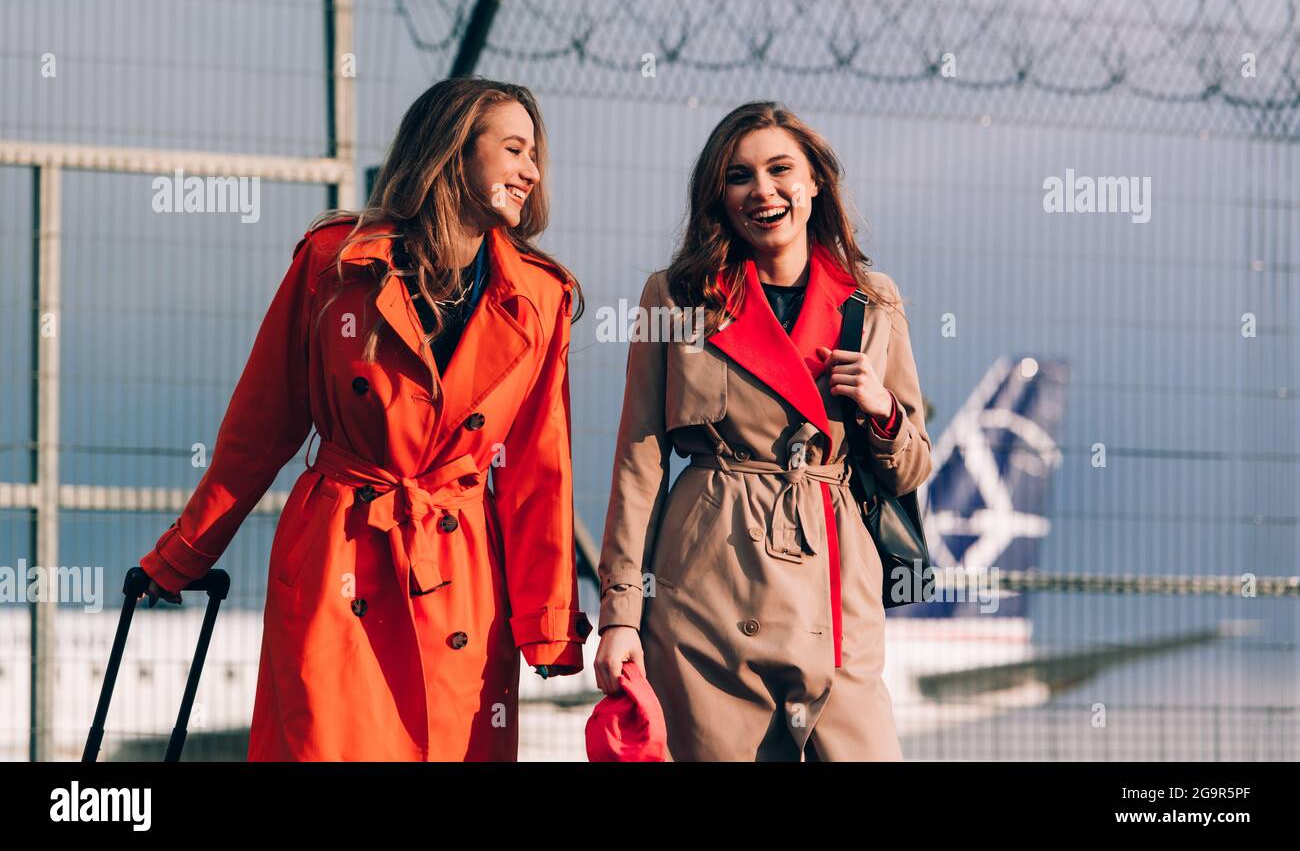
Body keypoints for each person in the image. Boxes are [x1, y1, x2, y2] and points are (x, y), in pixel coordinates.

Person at [138, 77, 591, 760]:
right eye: (514, 149)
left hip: (460, 570)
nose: (531, 170)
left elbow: (539, 470)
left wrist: (548, 623)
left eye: (536, 155)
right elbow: (260, 424)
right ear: (453, 151)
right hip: (340, 551)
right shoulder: (334, 262)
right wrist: (182, 554)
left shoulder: (540, 296)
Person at [594, 101, 932, 760]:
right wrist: (621, 616)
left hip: (837, 589)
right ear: (719, 195)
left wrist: (879, 405)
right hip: (705, 589)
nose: (763, 190)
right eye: (740, 176)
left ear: (815, 184)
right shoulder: (675, 298)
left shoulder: (873, 300)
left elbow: (913, 466)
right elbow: (638, 464)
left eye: (782, 169)